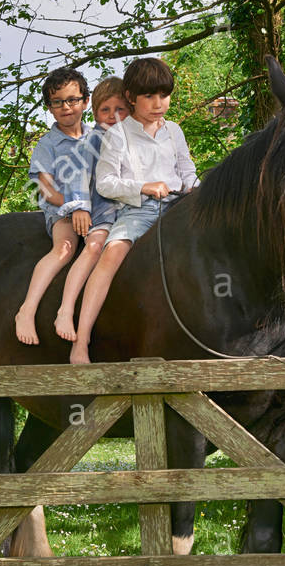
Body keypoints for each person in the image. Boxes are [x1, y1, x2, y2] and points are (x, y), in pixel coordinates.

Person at [69, 57, 198, 364]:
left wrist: (197, 189)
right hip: (140, 210)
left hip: (179, 206)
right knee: (110, 254)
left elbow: (187, 170)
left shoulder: (175, 131)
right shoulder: (118, 134)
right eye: (149, 96)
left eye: (163, 96)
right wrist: (143, 186)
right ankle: (82, 340)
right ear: (131, 97)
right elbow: (106, 183)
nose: (158, 104)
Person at [15, 67, 96, 345]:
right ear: (49, 108)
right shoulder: (47, 144)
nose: (66, 107)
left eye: (72, 99)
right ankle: (27, 310)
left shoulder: (97, 138)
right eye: (57, 102)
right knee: (65, 248)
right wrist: (74, 206)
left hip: (99, 210)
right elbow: (44, 188)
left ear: (86, 101)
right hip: (62, 211)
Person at [54, 77, 129, 341]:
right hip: (102, 209)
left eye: (120, 110)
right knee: (95, 246)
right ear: (95, 112)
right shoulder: (94, 140)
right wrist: (80, 207)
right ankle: (65, 308)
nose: (113, 116)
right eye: (105, 110)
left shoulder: (131, 138)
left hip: (127, 211)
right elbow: (77, 175)